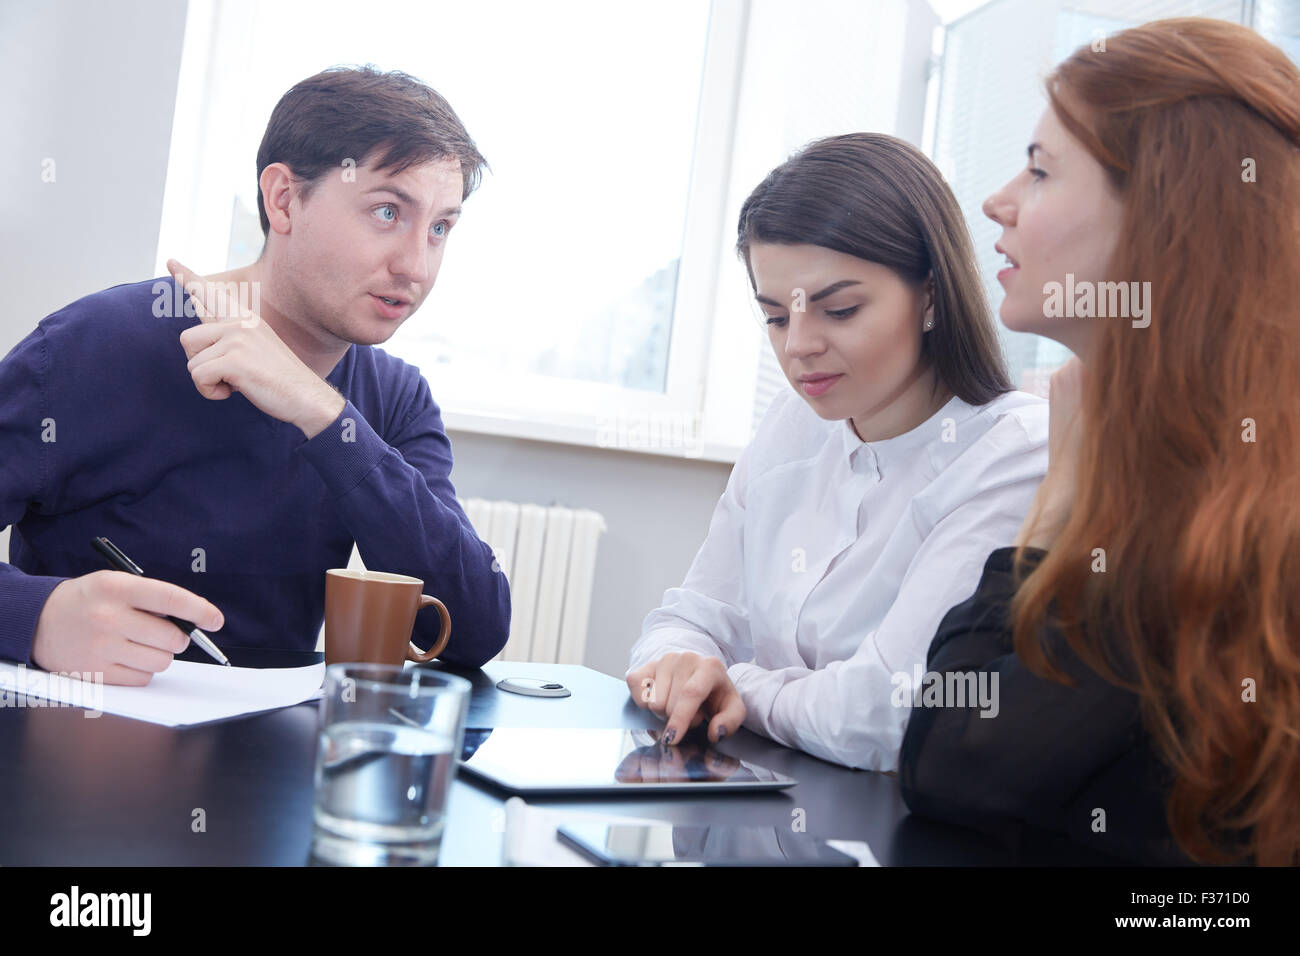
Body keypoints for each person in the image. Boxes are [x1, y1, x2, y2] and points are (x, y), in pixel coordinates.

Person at [899, 17, 1300, 865]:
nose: (998, 200)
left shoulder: (1210, 514)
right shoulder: (1208, 477)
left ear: (1165, 216)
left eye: (1041, 171)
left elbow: (954, 759)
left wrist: (1065, 501)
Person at [0, 66, 510, 683]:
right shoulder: (98, 343)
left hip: (272, 760)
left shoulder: (396, 400)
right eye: (385, 212)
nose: (416, 265)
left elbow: (473, 629)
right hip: (80, 750)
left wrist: (320, 413)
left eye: (440, 227)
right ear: (284, 199)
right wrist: (35, 616)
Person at [625, 133, 1049, 771]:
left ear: (930, 296)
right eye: (775, 316)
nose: (798, 346)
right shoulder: (792, 425)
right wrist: (679, 665)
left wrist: (734, 685)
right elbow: (690, 617)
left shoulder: (1010, 454)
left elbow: (883, 712)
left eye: (840, 310)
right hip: (746, 793)